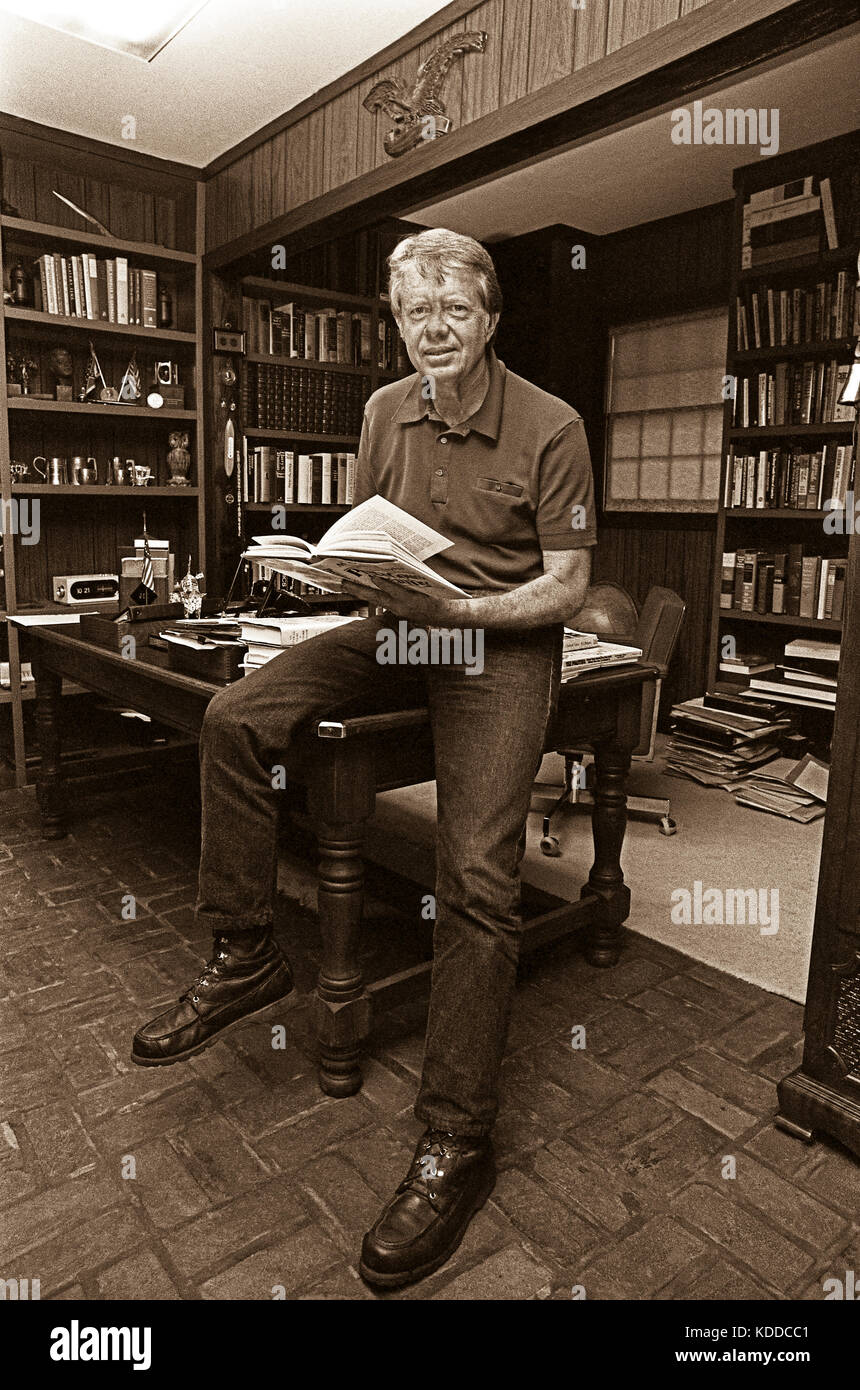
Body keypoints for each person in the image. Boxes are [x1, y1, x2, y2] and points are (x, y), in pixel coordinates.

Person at [131, 227, 597, 1289]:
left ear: (488, 317)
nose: (431, 330)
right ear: (397, 321)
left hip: (499, 644)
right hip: (402, 631)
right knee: (233, 717)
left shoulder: (551, 425)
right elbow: (377, 539)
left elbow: (565, 586)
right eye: (412, 314)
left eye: (452, 312)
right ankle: (247, 947)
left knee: (475, 877)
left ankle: (454, 1139)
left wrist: (469, 609)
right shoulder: (385, 410)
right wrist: (330, 574)